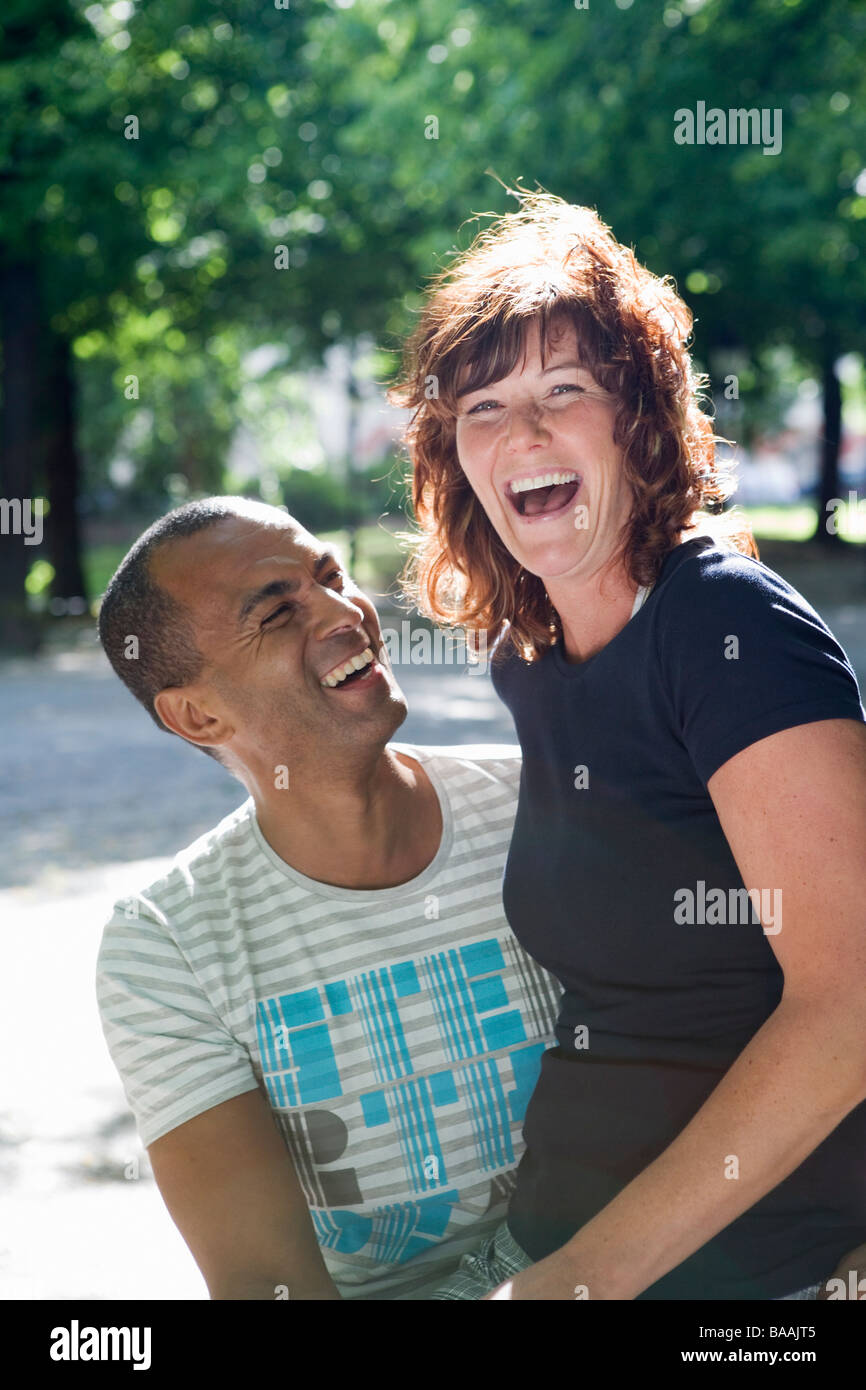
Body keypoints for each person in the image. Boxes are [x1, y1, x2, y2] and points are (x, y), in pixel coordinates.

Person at [389, 190, 866, 1300]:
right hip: (553, 1247)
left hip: (751, 1276)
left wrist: (584, 1280)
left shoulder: (725, 630)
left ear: (640, 419)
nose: (524, 435)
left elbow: (849, 1003)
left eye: (565, 392)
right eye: (484, 408)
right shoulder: (529, 650)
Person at [94, 496, 560, 1300]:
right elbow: (264, 1283)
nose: (348, 613)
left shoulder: (544, 805)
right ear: (196, 713)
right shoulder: (167, 944)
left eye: (331, 576)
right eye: (278, 613)